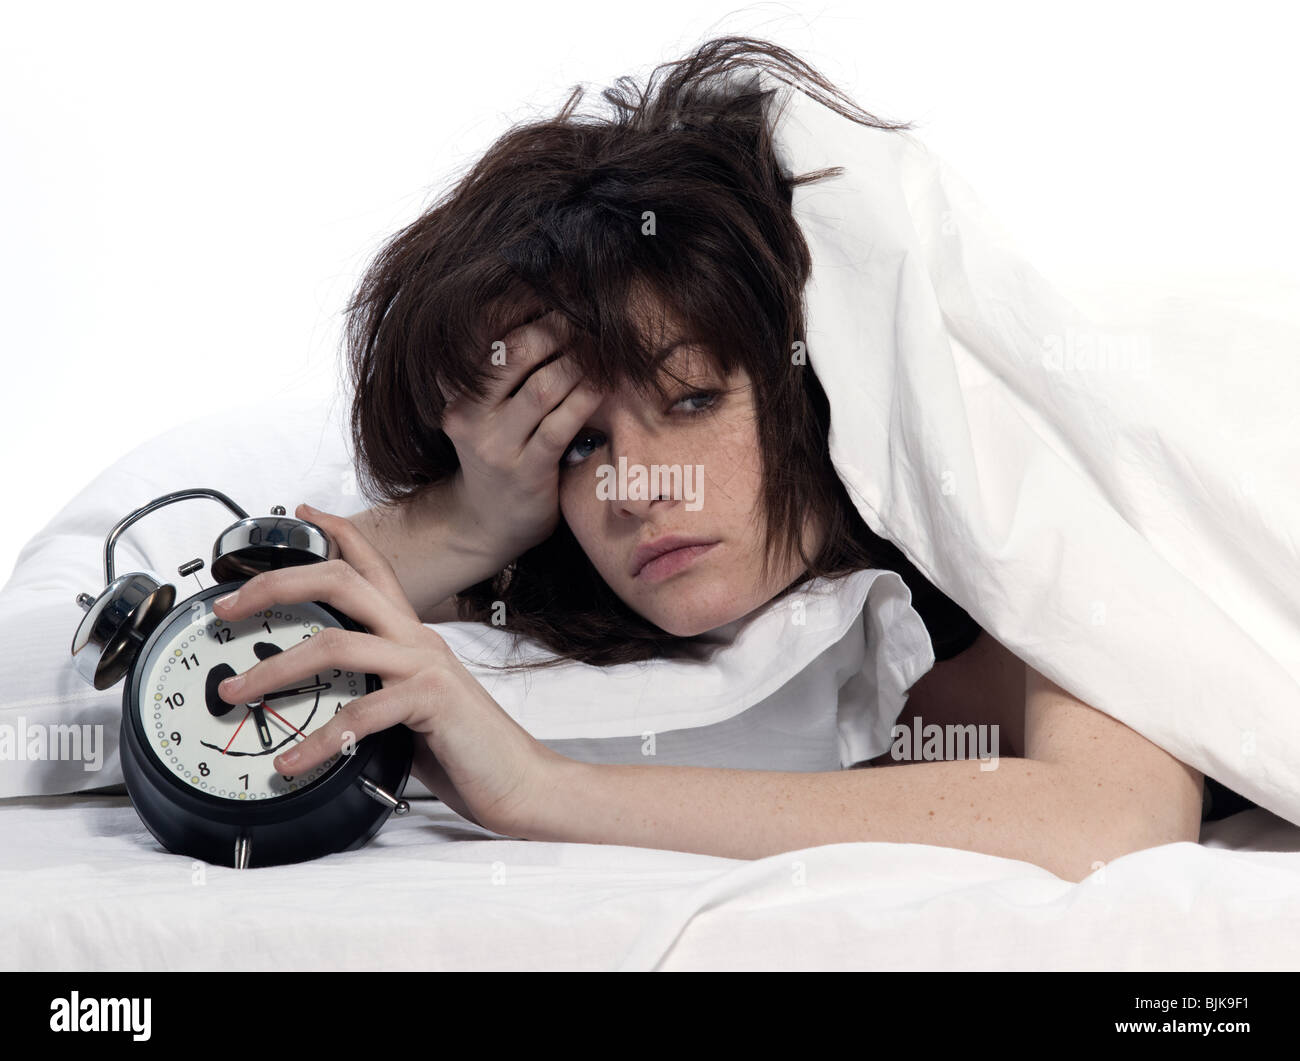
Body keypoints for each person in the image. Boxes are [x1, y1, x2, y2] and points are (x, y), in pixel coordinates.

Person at [210, 35, 1213, 882]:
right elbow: (175, 652)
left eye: (692, 398)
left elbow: (1114, 818)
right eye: (581, 441)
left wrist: (545, 789)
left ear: (815, 382)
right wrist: (474, 521)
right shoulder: (561, 581)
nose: (638, 487)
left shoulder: (1006, 482)